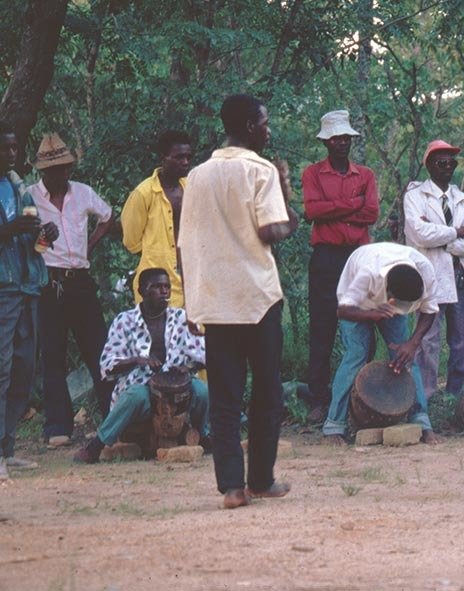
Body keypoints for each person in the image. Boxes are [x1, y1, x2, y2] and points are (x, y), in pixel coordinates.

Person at [179, 94, 299, 509]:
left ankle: (232, 487)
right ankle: (261, 480)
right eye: (264, 123)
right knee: (267, 392)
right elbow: (271, 231)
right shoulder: (260, 169)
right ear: (249, 127)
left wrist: (193, 304)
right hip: (257, 297)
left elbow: (187, 243)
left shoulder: (196, 175)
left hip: (215, 301)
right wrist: (288, 203)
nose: (268, 130)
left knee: (225, 396)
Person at [27, 133, 115, 445]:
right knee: (52, 354)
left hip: (80, 280)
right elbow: (28, 249)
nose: (57, 175)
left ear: (69, 168)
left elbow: (108, 216)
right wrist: (42, 240)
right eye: (50, 170)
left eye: (62, 168)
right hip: (49, 282)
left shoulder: (83, 193)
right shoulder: (30, 198)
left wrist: (89, 245)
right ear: (41, 172)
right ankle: (58, 427)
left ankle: (113, 417)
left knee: (99, 351)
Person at [73, 268, 208, 463]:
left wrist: (188, 368)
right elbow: (107, 366)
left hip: (178, 394)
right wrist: (137, 360)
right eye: (157, 287)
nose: (164, 292)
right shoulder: (124, 321)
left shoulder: (181, 318)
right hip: (143, 393)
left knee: (202, 390)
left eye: (167, 287)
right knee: (134, 396)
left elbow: (204, 354)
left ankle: (203, 435)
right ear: (142, 291)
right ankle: (96, 446)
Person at [323, 242, 443, 445]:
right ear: (387, 290)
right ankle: (334, 426)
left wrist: (412, 343)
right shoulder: (367, 272)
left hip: (387, 303)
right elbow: (342, 311)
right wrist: (372, 314)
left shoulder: (425, 271)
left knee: (405, 358)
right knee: (356, 355)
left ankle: (422, 422)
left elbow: (430, 310)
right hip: (356, 305)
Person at [302, 110, 379, 423]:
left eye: (346, 137)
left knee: (362, 326)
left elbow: (371, 213)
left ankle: (362, 397)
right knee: (322, 327)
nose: (342, 143)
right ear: (326, 142)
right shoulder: (313, 174)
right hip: (326, 257)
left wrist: (334, 211)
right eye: (336, 138)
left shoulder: (365, 175)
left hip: (358, 256)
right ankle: (318, 400)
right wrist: (351, 206)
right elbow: (312, 211)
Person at [404, 140, 464, 402]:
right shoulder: (415, 196)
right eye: (442, 162)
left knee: (463, 342)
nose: (448, 167)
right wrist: (455, 232)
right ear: (428, 165)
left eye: (452, 162)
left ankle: (455, 397)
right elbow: (419, 233)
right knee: (428, 341)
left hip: (461, 277)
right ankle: (424, 398)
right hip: (431, 277)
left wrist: (444, 239)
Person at [0, 122, 59, 480]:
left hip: (26, 286)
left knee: (22, 369)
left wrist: (44, 236)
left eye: (14, 148)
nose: (11, 154)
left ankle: (7, 449)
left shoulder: (17, 186)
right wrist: (8, 231)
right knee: (1, 368)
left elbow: (34, 242)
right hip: (3, 287)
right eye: (5, 148)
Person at [121, 130, 193, 308]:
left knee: (194, 334)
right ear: (163, 158)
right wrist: (158, 255)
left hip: (191, 282)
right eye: (179, 157)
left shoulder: (192, 189)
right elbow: (131, 242)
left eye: (188, 157)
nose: (185, 162)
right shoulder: (143, 193)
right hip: (156, 286)